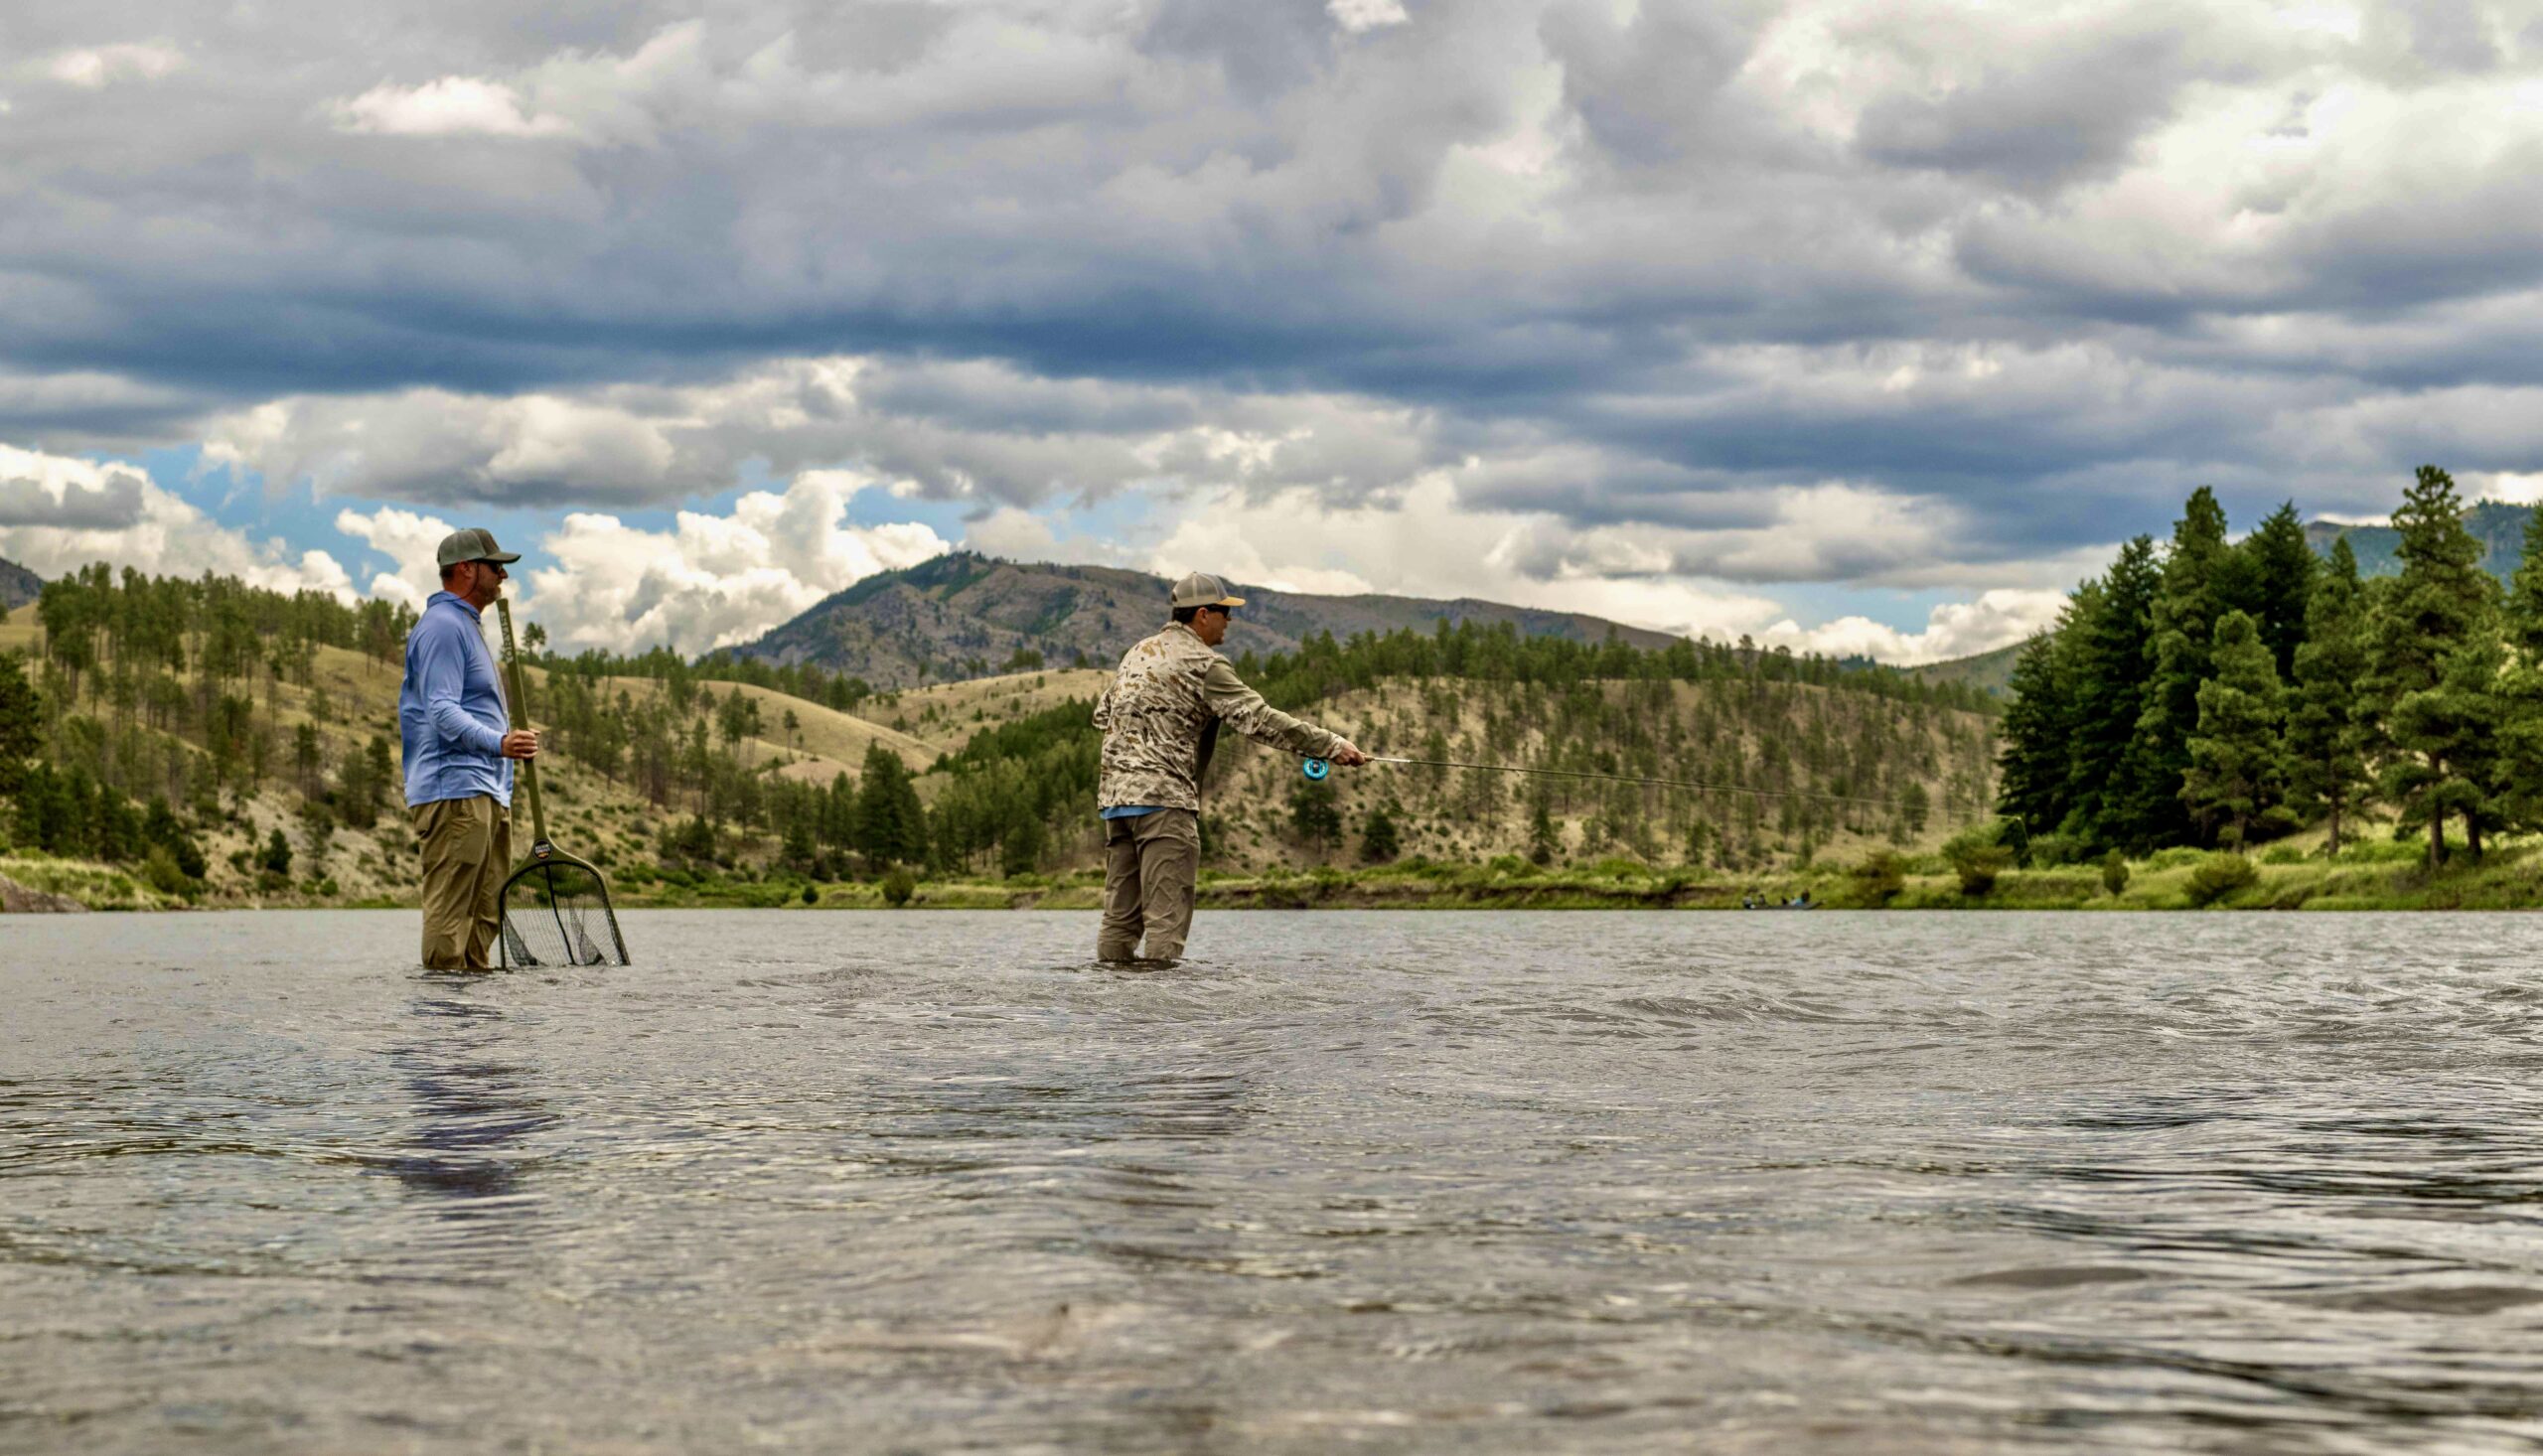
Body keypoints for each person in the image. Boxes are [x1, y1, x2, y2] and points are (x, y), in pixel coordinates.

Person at [1093, 572, 1368, 962]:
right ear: (1202, 615)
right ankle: (1156, 1019)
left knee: (1119, 920)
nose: (1230, 620)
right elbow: (1260, 720)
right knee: (1165, 921)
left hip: (1116, 805)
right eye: (1225, 612)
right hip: (1165, 805)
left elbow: (1102, 714)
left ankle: (1108, 1011)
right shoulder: (1206, 664)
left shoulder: (1136, 653)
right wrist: (1330, 745)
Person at [399, 528, 539, 970]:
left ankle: (475, 1027)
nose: (502, 575)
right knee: (451, 912)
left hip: (487, 791)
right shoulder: (442, 627)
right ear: (466, 569)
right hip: (455, 791)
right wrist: (499, 742)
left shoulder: (466, 626)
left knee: (485, 913)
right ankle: (443, 1029)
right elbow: (440, 709)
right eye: (495, 566)